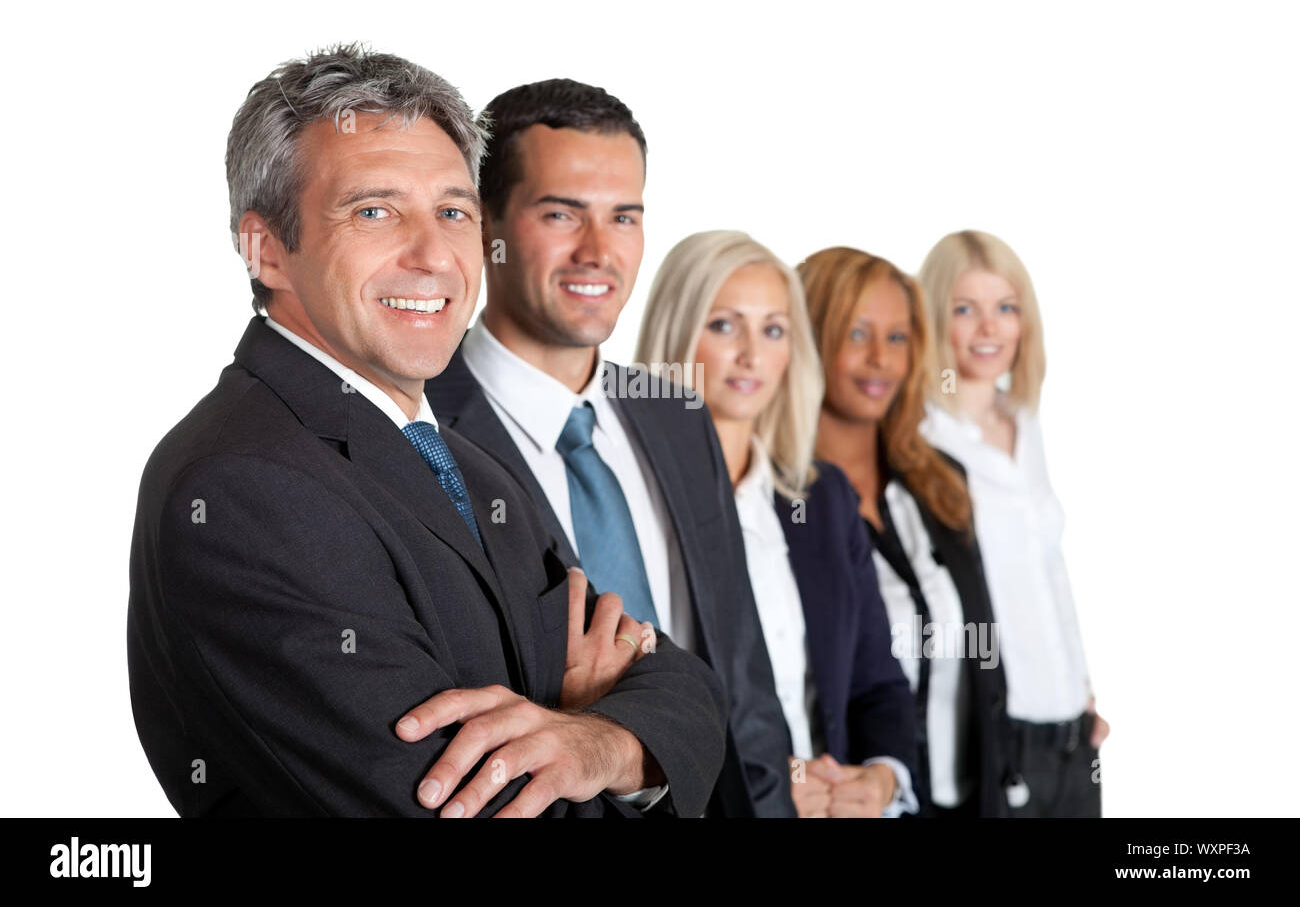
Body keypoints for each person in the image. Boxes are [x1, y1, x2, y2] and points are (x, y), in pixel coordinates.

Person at [126, 44, 728, 818]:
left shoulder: (469, 466)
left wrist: (601, 743)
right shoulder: (242, 487)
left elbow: (680, 680)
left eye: (453, 211)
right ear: (266, 247)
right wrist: (598, 737)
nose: (433, 254)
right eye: (374, 211)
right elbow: (455, 806)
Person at [424, 80, 796, 817]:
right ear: (485, 222)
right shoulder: (424, 430)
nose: (599, 251)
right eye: (561, 213)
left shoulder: (677, 415)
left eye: (624, 216)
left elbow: (743, 672)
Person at [636, 230, 919, 818]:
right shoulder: (630, 496)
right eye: (723, 325)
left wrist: (882, 778)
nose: (751, 355)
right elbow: (645, 706)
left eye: (773, 329)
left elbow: (877, 682)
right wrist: (768, 782)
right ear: (677, 332)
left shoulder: (823, 498)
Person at [798, 245, 1017, 816]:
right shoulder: (772, 502)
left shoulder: (940, 484)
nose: (881, 361)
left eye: (897, 338)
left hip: (968, 799)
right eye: (857, 334)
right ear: (808, 337)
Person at [917, 229, 1108, 817]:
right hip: (1001, 732)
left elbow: (1048, 567)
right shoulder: (923, 436)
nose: (989, 329)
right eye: (965, 309)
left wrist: (1084, 689)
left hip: (1072, 731)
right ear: (934, 318)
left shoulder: (1024, 422)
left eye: (1005, 308)